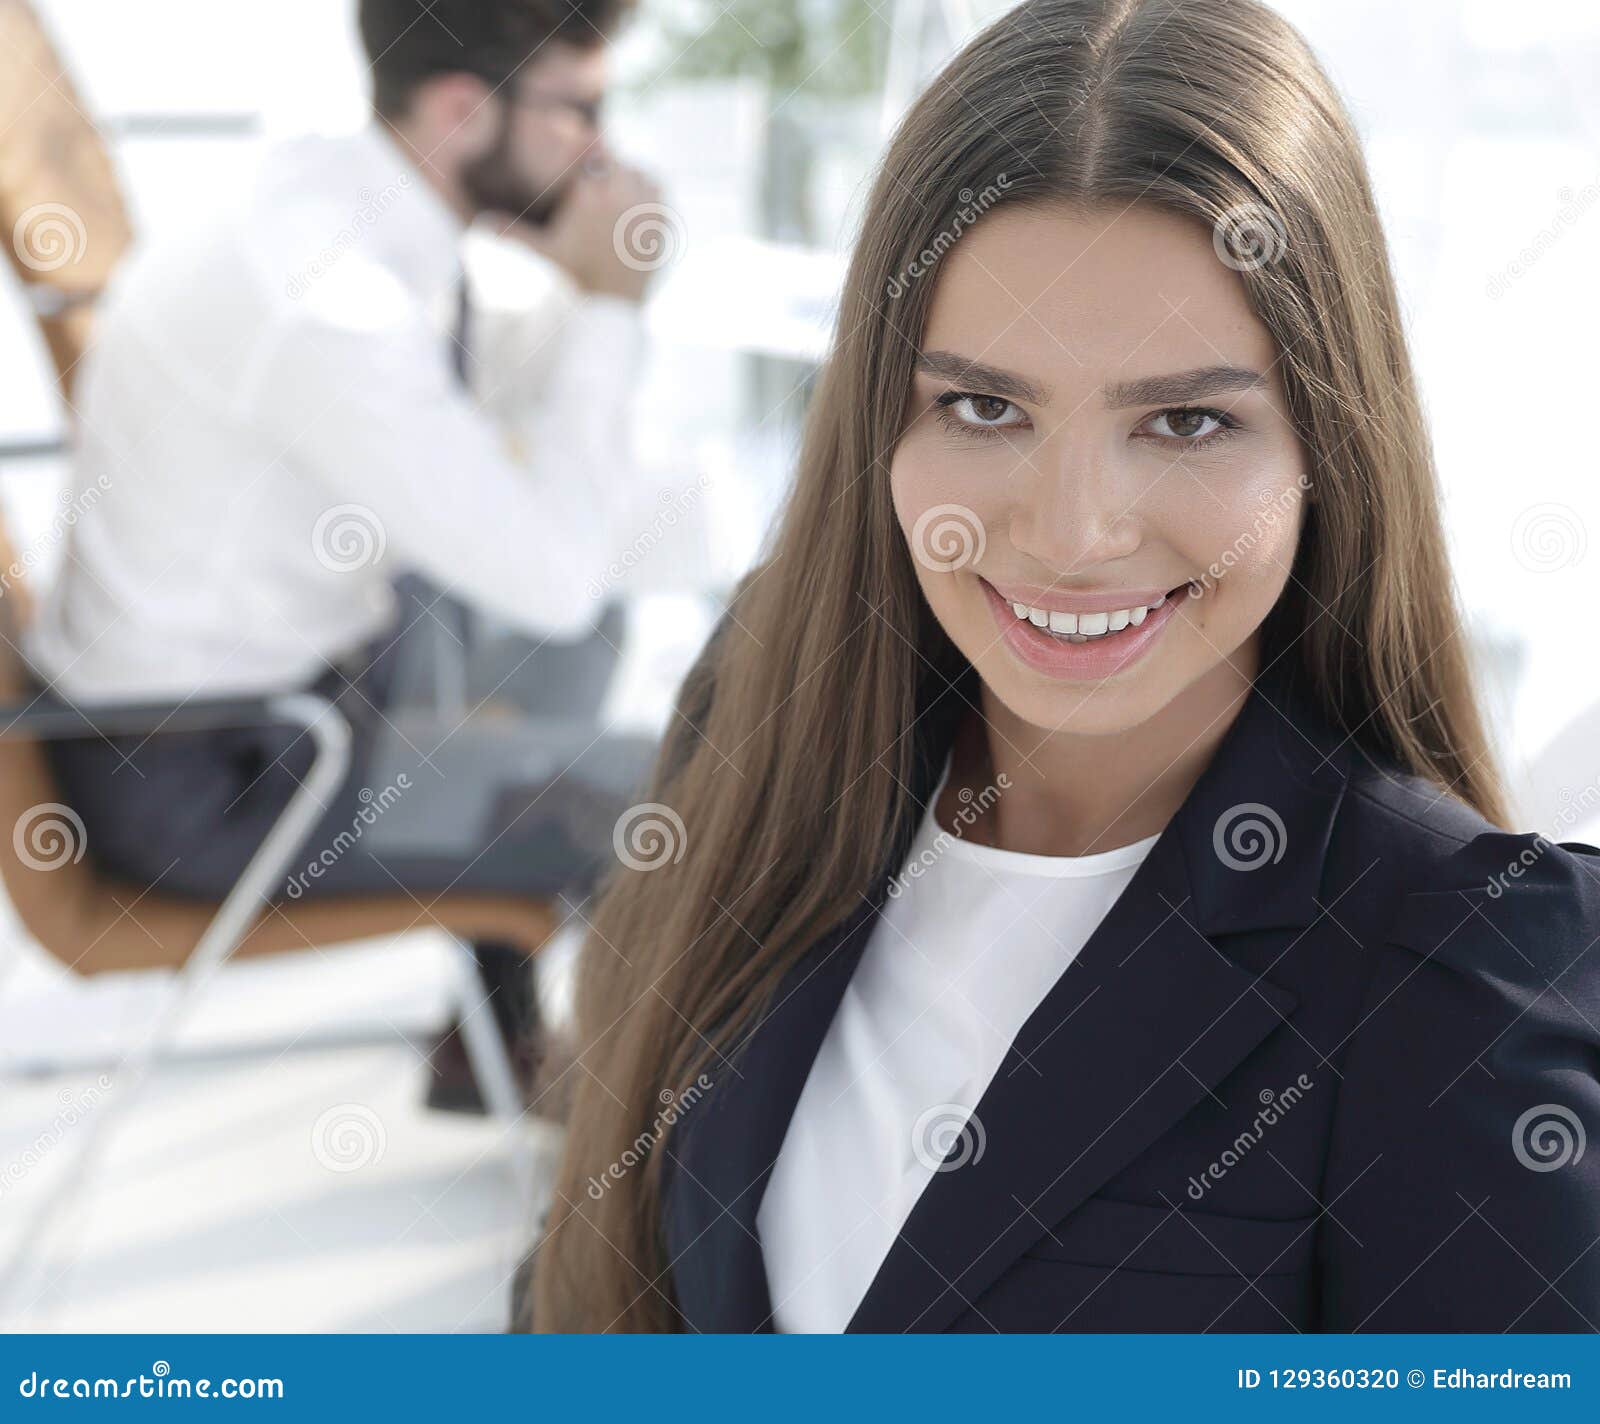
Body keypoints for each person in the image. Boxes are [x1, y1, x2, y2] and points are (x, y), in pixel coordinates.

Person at [529, 0, 1600, 1332]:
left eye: (1189, 420)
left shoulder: (1455, 959)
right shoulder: (770, 703)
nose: (1073, 531)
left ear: (1328, 447)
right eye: (985, 407)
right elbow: (581, 1288)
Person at [24, 0, 684, 1112]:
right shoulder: (332, 299)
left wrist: (567, 299)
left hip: (246, 697)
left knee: (584, 608)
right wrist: (609, 306)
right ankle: (646, 1176)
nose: (601, 150)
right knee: (692, 801)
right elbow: (555, 574)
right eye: (579, 109)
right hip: (222, 774)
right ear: (462, 108)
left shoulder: (330, 195)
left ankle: (493, 1036)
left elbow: (502, 492)